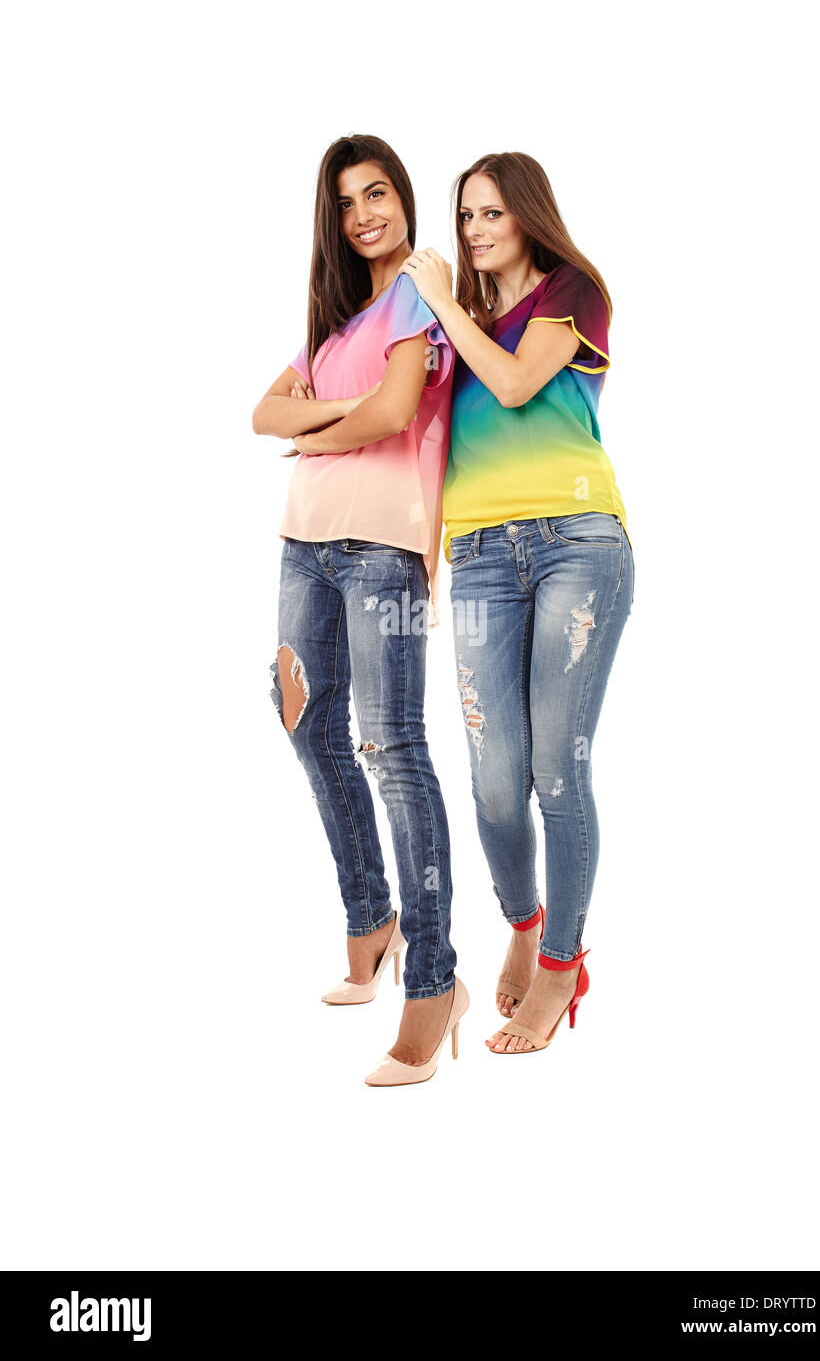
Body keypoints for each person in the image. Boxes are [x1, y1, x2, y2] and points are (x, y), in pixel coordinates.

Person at [398, 151, 633, 1055]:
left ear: (528, 215)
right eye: (464, 218)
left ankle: (565, 964)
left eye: (490, 214)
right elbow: (424, 435)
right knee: (497, 784)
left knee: (557, 771)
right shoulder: (461, 328)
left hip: (579, 543)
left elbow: (514, 383)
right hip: (482, 556)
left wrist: (446, 301)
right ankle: (527, 924)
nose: (474, 232)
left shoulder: (574, 292)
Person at [252, 135, 468, 1085]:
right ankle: (369, 917)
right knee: (305, 721)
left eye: (376, 192)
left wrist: (318, 428)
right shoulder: (339, 318)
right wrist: (324, 422)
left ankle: (433, 980)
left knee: (394, 746)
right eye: (346, 203)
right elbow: (263, 410)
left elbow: (395, 413)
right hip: (306, 541)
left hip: (384, 546)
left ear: (403, 198)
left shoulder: (423, 284)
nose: (364, 214)